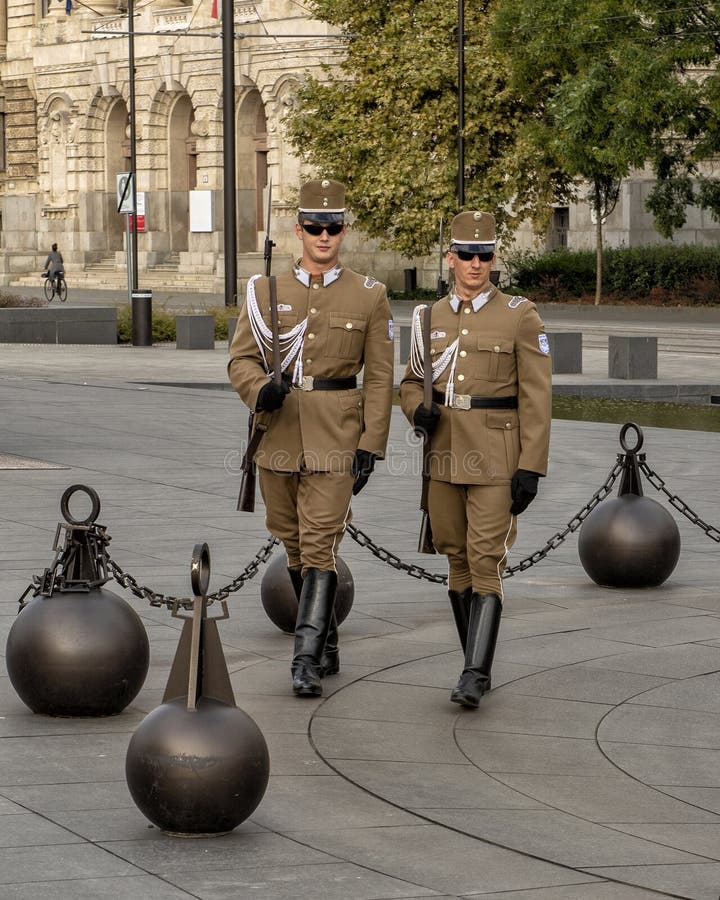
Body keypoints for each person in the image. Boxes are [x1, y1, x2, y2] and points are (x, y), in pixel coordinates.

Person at [228, 178, 395, 698]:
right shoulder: (262, 293)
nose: (324, 235)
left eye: (333, 227)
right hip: (277, 435)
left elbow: (381, 377)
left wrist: (371, 445)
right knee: (294, 546)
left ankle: (303, 661)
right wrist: (261, 390)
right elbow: (239, 359)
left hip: (336, 436)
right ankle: (327, 642)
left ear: (344, 231)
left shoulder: (370, 296)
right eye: (315, 227)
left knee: (320, 544)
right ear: (298, 229)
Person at [400, 211, 552, 709]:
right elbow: (409, 383)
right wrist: (415, 409)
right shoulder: (429, 318)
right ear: (450, 257)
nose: (475, 263)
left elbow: (537, 396)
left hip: (495, 458)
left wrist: (531, 466)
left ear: (494, 259)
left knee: (485, 560)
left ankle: (473, 673)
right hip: (443, 457)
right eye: (466, 254)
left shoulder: (519, 315)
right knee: (456, 557)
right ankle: (475, 658)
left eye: (484, 255)